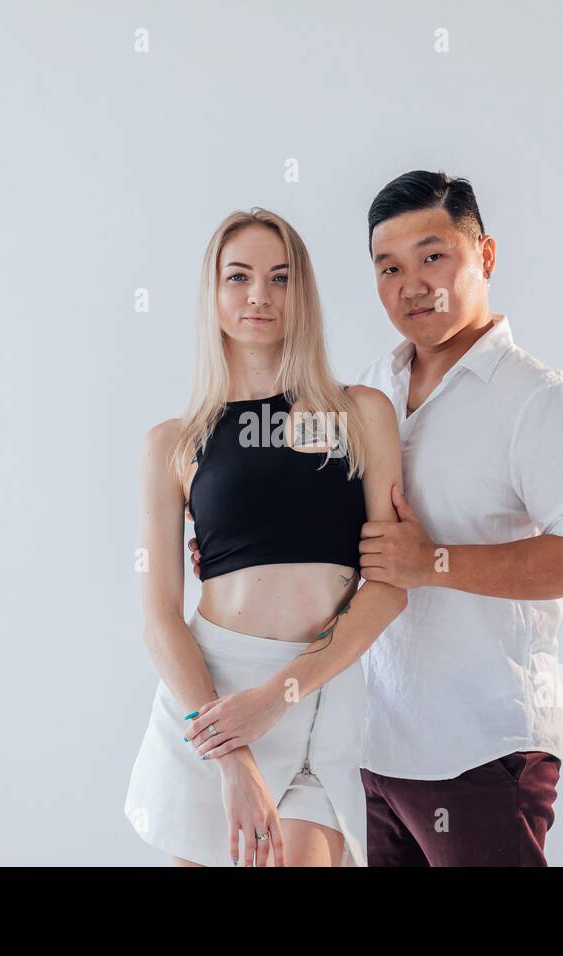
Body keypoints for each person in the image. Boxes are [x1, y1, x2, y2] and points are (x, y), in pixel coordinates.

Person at [189, 171, 563, 866]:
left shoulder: (535, 399)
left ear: (484, 256)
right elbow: (342, 536)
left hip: (480, 747)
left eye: (433, 257)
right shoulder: (371, 392)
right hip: (371, 745)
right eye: (388, 267)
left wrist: (435, 563)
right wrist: (235, 545)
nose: (411, 284)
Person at [124, 208, 407, 867]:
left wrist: (278, 695)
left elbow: (389, 589)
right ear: (213, 293)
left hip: (320, 687)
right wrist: (231, 754)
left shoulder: (360, 414)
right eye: (239, 277)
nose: (259, 296)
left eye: (280, 278)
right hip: (210, 703)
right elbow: (160, 621)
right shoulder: (173, 443)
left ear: (302, 292)